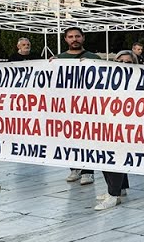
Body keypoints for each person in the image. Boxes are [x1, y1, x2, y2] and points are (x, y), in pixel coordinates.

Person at [95, 50, 139, 211]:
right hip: (108, 122)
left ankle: (113, 195)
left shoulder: (138, 80)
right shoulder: (108, 79)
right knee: (108, 157)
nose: (123, 65)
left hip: (124, 125)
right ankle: (120, 189)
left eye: (128, 62)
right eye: (120, 61)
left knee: (113, 157)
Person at [57, 27, 101, 185]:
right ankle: (74, 168)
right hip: (66, 107)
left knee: (87, 140)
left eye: (77, 36)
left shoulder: (93, 57)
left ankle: (88, 171)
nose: (74, 39)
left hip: (87, 107)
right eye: (70, 37)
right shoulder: (57, 59)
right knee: (68, 138)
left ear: (83, 38)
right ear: (66, 39)